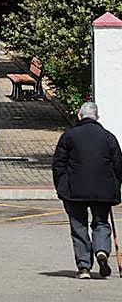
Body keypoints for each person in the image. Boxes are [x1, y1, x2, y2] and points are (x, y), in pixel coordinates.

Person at [53, 101, 122, 280]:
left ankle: (84, 267)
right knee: (101, 222)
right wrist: (115, 186)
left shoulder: (69, 136)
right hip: (103, 189)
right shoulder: (108, 137)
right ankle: (101, 251)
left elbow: (58, 164)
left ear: (79, 115)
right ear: (97, 117)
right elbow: (118, 166)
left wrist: (61, 186)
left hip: (74, 190)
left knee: (79, 226)